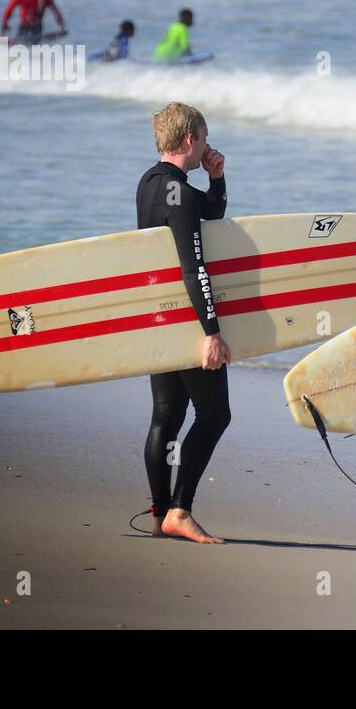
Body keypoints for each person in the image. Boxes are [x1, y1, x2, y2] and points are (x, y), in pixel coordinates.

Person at [136, 102, 231, 544]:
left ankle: (159, 515)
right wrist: (211, 331)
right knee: (214, 415)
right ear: (190, 139)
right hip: (189, 318)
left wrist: (216, 178)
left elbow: (206, 215)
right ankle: (180, 509)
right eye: (205, 138)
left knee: (167, 415)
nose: (207, 146)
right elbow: (194, 267)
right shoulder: (182, 194)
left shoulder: (149, 185)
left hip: (158, 319)